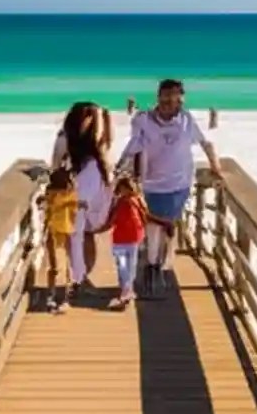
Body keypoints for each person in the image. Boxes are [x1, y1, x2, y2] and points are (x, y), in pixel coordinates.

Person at [116, 79, 224, 279]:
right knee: (153, 227)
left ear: (181, 99)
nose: (169, 101)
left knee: (168, 226)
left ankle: (162, 263)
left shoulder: (187, 120)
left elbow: (205, 143)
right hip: (150, 185)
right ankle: (152, 268)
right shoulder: (144, 119)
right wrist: (119, 168)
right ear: (158, 97)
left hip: (179, 185)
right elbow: (133, 146)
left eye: (175, 97)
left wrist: (215, 167)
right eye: (165, 96)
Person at [49, 101, 114, 298]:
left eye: (92, 118)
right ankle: (79, 280)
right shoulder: (65, 139)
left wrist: (106, 117)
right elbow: (55, 165)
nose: (90, 122)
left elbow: (107, 143)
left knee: (84, 238)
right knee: (76, 238)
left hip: (95, 198)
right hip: (75, 197)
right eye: (88, 117)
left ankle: (81, 279)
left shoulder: (93, 142)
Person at [89, 175, 174, 309]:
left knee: (126, 267)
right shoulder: (129, 201)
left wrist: (96, 231)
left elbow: (113, 221)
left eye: (125, 188)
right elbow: (144, 216)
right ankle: (126, 292)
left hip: (127, 238)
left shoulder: (128, 201)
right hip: (128, 238)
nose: (125, 190)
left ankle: (126, 292)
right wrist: (164, 222)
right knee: (127, 267)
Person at [36, 168, 84, 312]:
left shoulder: (65, 195)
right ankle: (57, 297)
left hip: (62, 230)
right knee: (58, 265)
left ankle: (58, 296)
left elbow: (44, 204)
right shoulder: (66, 194)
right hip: (59, 230)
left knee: (59, 265)